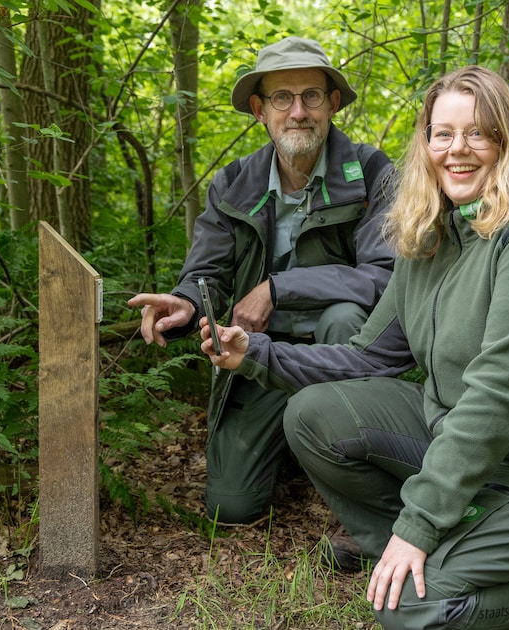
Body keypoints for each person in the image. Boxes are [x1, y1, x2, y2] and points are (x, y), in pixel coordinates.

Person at [198, 65, 509, 629]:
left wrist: (418, 525)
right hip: (459, 445)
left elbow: (496, 402)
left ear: (506, 143)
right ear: (426, 145)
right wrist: (256, 354)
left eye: (477, 133)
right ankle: (404, 557)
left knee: (409, 609)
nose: (458, 149)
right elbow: (367, 356)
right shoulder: (429, 241)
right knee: (313, 414)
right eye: (442, 134)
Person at [127, 37, 396, 532]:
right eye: (282, 98)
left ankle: (357, 474)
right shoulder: (234, 183)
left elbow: (384, 277)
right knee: (231, 506)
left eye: (312, 96)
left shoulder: (372, 173)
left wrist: (276, 288)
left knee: (344, 316)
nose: (298, 111)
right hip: (259, 350)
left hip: (341, 352)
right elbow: (206, 272)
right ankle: (294, 441)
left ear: (333, 103)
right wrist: (185, 303)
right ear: (259, 110)